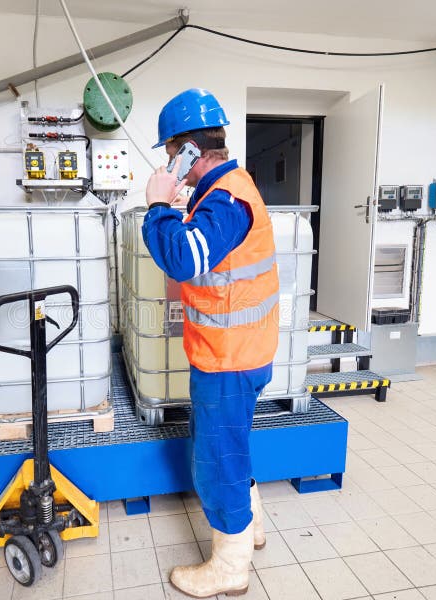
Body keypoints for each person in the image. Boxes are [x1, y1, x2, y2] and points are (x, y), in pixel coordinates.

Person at [141, 88, 280, 598]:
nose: (167, 161)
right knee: (232, 446)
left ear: (189, 151)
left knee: (217, 457)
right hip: (240, 351)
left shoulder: (224, 200)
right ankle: (251, 529)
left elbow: (183, 260)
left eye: (169, 152)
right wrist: (179, 207)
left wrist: (158, 205)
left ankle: (230, 568)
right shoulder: (225, 190)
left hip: (229, 359)